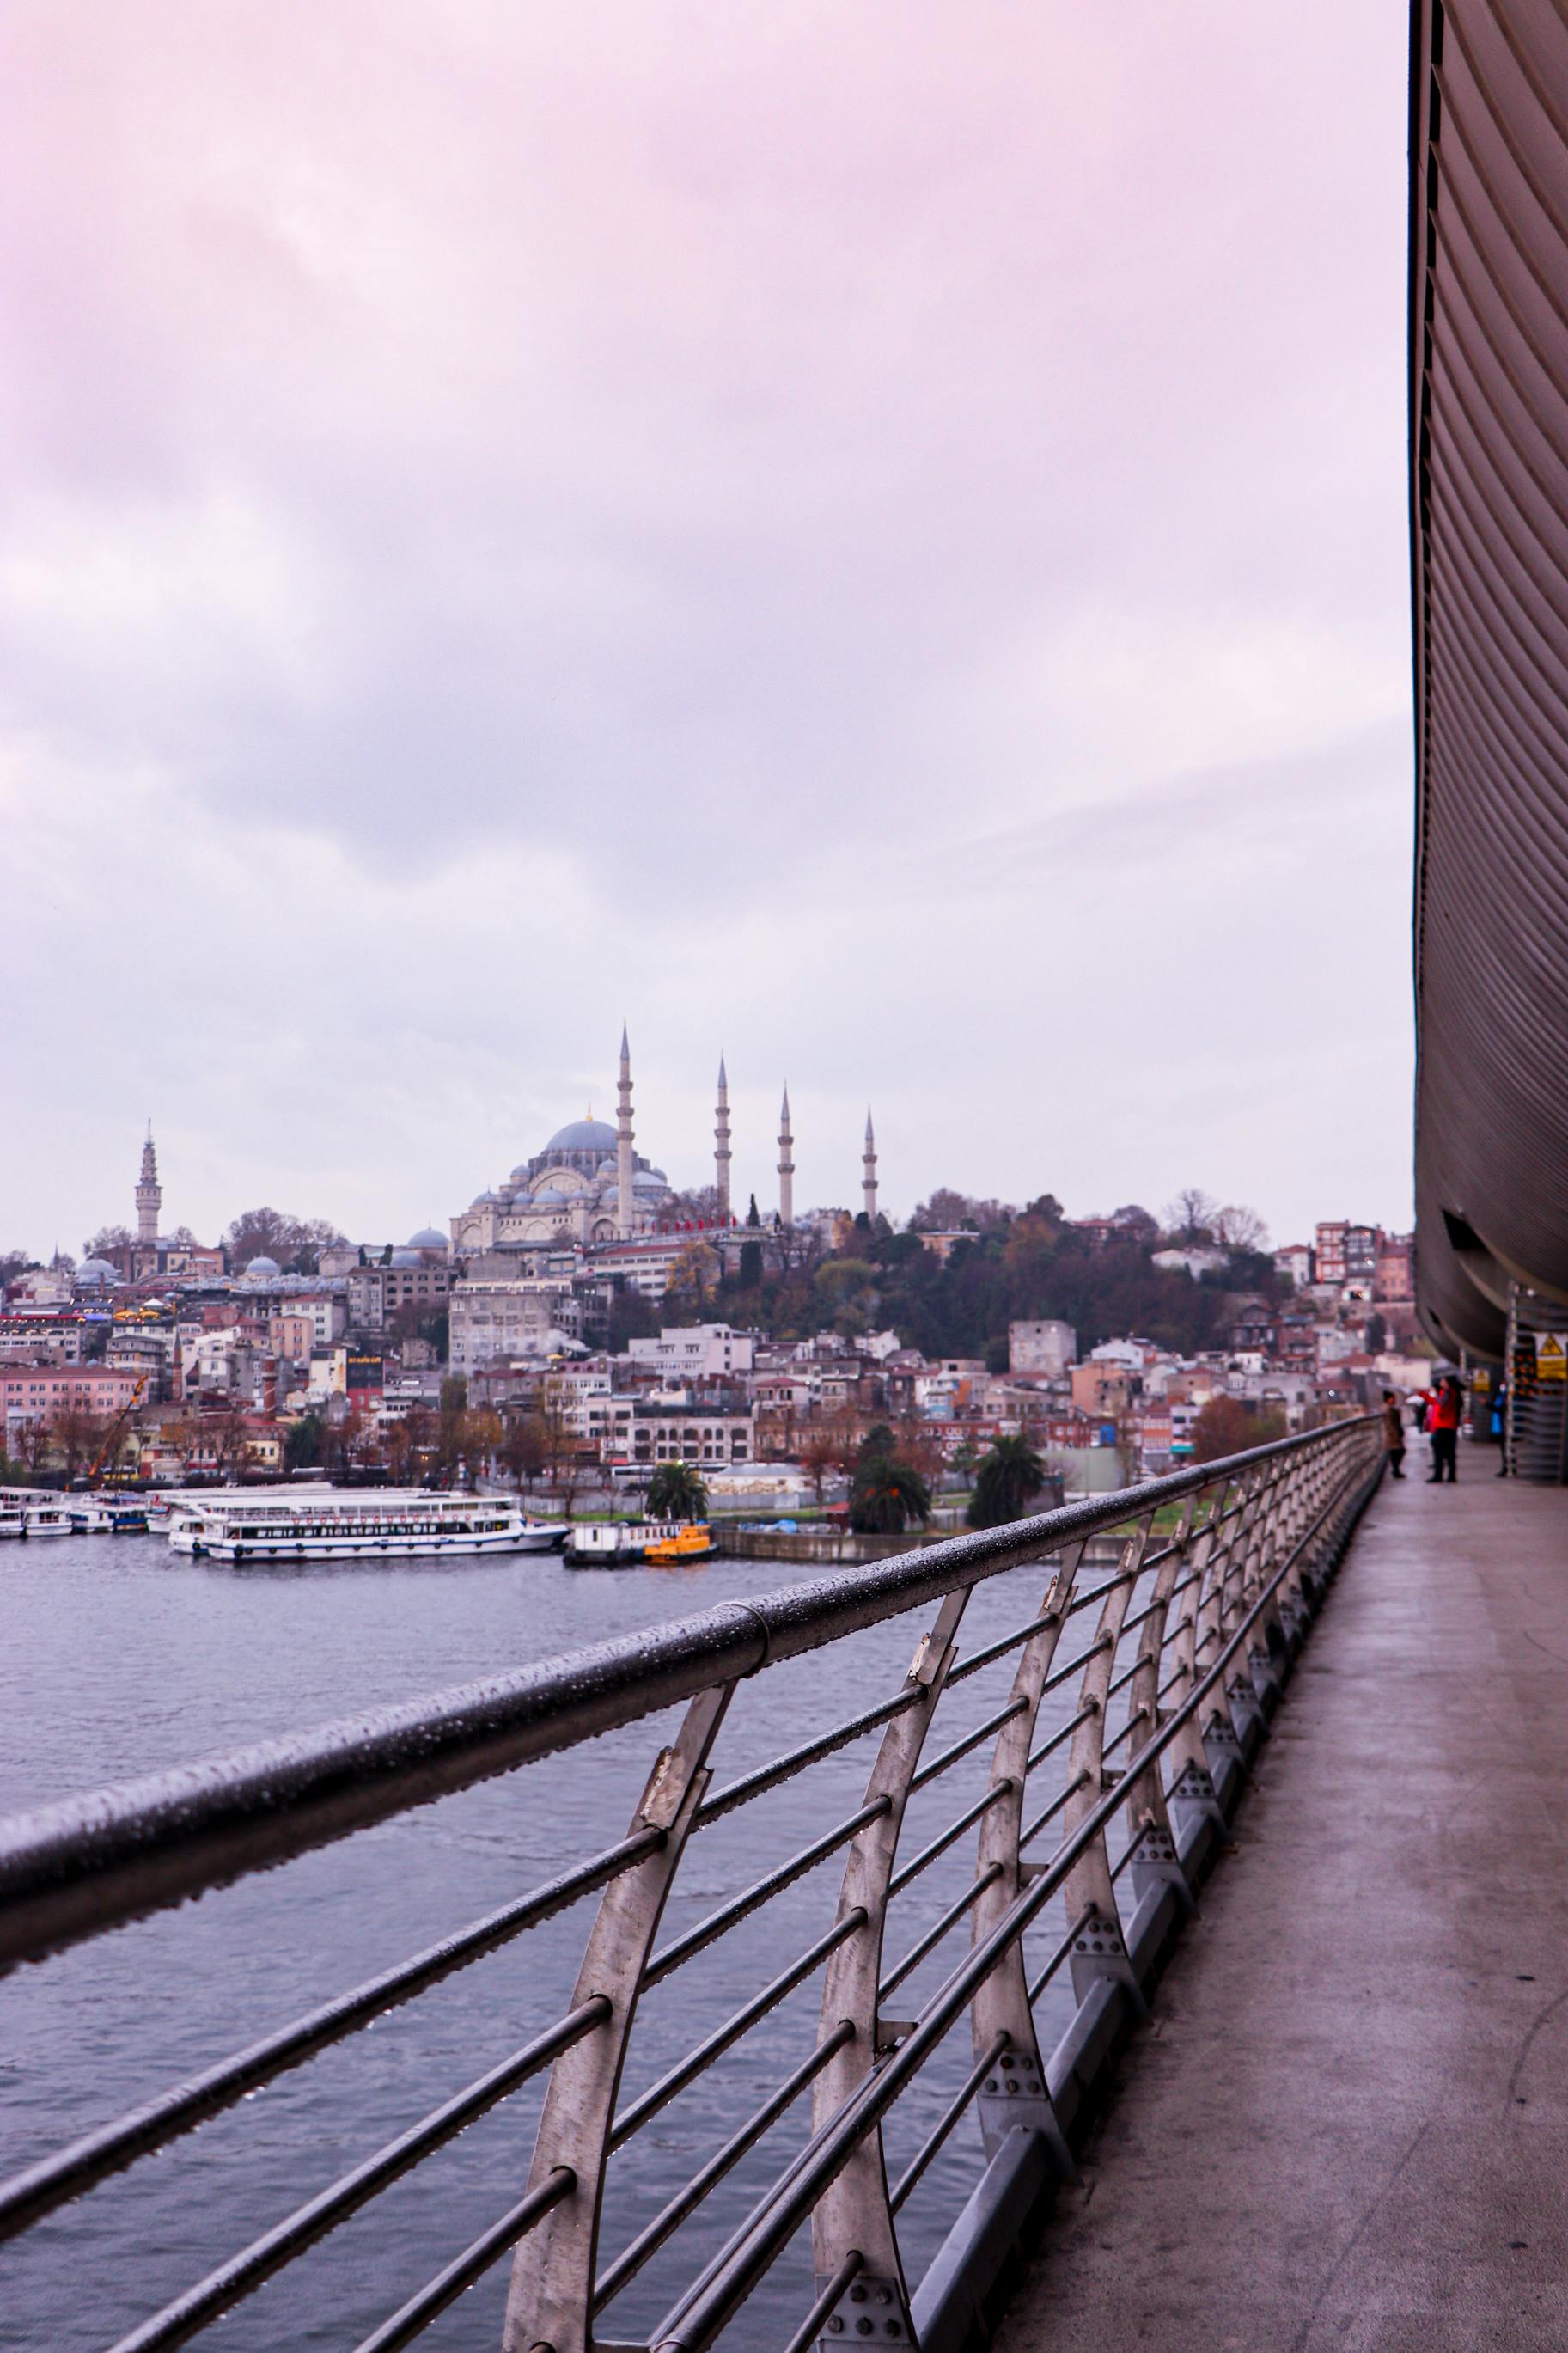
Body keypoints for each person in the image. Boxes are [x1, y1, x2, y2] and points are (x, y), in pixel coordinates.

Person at [1428, 1372, 1462, 1482]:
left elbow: (1442, 1406)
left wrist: (1440, 1413)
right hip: (1447, 1426)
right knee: (1449, 1452)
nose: (1440, 1382)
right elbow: (1436, 1402)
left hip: (1444, 1427)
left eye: (1443, 1380)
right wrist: (1422, 1394)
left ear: (1447, 1382)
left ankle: (1438, 1476)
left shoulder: (1449, 1393)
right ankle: (1451, 1476)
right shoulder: (1447, 1393)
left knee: (1439, 1453)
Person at [1381, 1389, 1406, 1478]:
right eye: (1393, 1398)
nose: (1395, 1400)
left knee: (1395, 1453)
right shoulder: (1388, 1409)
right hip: (1392, 1435)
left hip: (1392, 1434)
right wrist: (1396, 1434)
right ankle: (1396, 1470)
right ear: (1389, 1399)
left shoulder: (1388, 1408)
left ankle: (1396, 1470)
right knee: (1399, 1451)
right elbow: (1390, 1424)